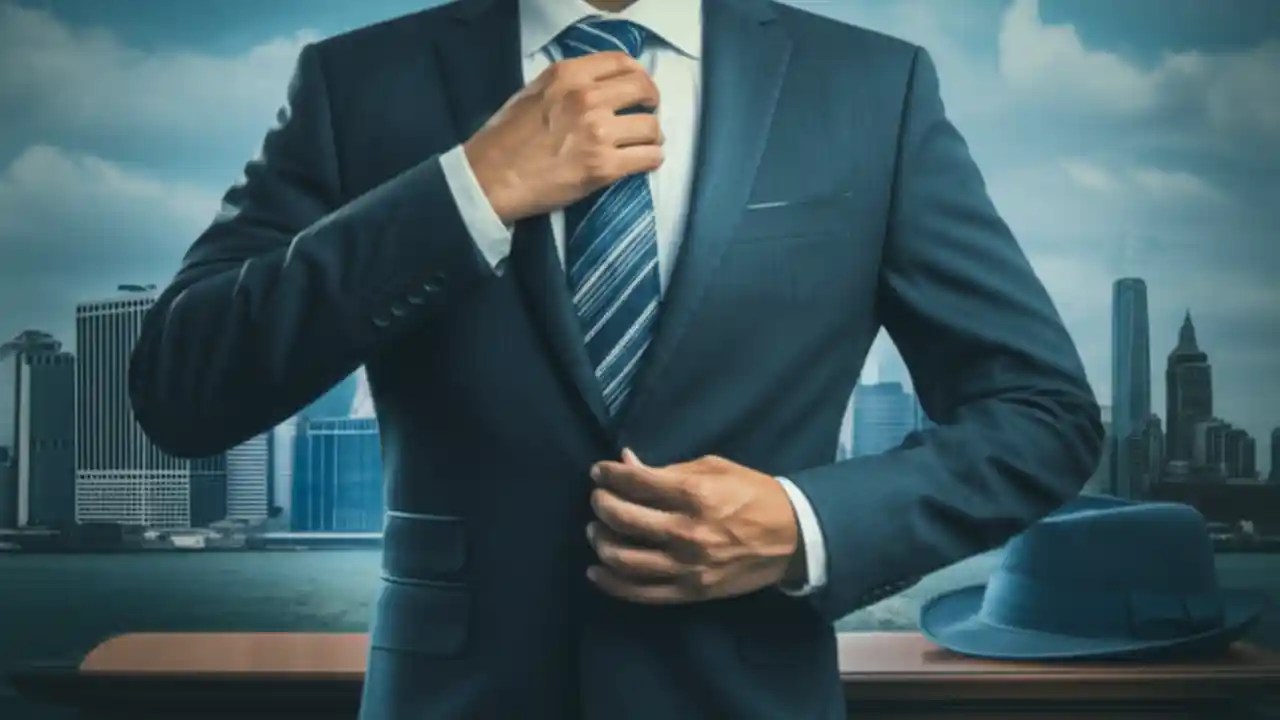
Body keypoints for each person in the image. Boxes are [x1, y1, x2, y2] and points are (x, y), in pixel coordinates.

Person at [127, 0, 1105, 717]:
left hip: (745, 695)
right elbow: (181, 387)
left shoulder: (868, 87)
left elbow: (1039, 413)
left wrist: (804, 523)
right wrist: (468, 190)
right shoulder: (357, 81)